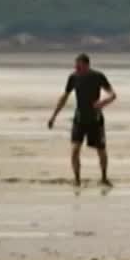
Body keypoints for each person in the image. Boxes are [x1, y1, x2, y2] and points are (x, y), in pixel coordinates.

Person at [47, 53, 116, 187]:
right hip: (79, 119)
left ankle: (104, 177)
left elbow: (113, 94)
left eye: (78, 65)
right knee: (75, 150)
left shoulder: (98, 76)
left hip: (95, 119)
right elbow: (64, 97)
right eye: (75, 65)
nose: (76, 68)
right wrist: (53, 116)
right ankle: (77, 179)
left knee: (101, 150)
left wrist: (103, 102)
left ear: (86, 65)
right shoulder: (73, 77)